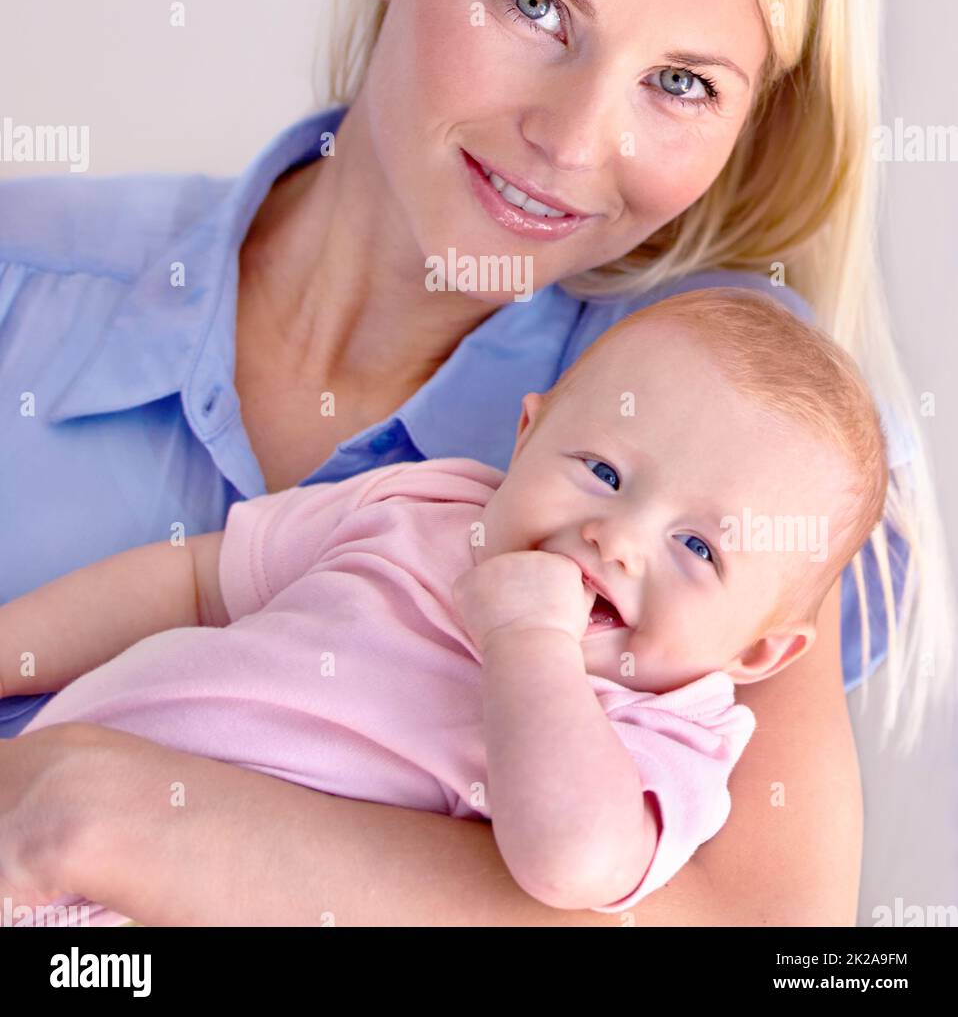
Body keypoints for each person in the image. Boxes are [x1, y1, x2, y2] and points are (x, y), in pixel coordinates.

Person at [0, 0, 951, 927]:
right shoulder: (26, 286)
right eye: (536, 5)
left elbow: (774, 954)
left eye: (681, 83)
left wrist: (111, 815)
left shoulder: (737, 428)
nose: (570, 138)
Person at [5, 289, 889, 925]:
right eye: (605, 474)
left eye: (698, 548)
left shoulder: (669, 731)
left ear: (760, 656)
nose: (616, 539)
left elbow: (570, 866)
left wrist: (528, 643)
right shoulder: (424, 506)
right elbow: (199, 579)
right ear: (527, 434)